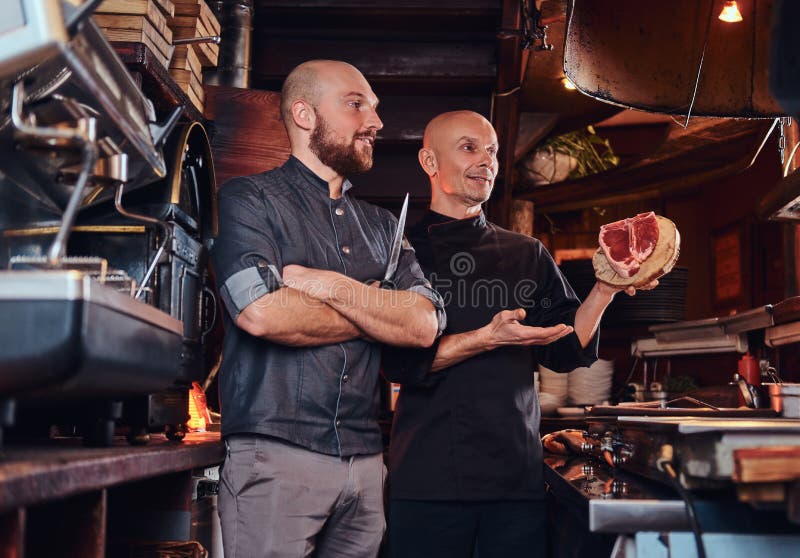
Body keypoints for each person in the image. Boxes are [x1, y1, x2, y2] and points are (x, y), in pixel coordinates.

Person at [383, 110, 655, 558]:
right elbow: (396, 365)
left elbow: (565, 350)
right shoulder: (399, 250)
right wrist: (484, 339)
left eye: (491, 150)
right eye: (469, 148)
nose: (486, 160)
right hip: (427, 476)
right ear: (429, 161)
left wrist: (606, 288)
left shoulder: (526, 252)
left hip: (514, 477)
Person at [210, 59, 446, 558]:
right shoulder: (248, 200)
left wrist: (333, 286)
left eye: (375, 108)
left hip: (365, 463)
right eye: (357, 104)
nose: (376, 122)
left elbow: (424, 324)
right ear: (304, 114)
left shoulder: (383, 226)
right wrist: (379, 313)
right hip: (275, 456)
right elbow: (260, 313)